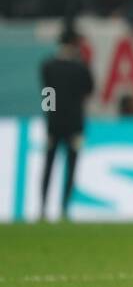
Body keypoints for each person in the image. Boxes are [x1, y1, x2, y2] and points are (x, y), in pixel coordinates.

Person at [38, 25, 94, 220]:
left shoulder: (48, 66)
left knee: (48, 166)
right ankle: (64, 208)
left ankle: (43, 208)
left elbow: (47, 95)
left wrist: (50, 120)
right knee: (71, 167)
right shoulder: (80, 67)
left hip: (54, 125)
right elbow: (88, 91)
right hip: (74, 125)